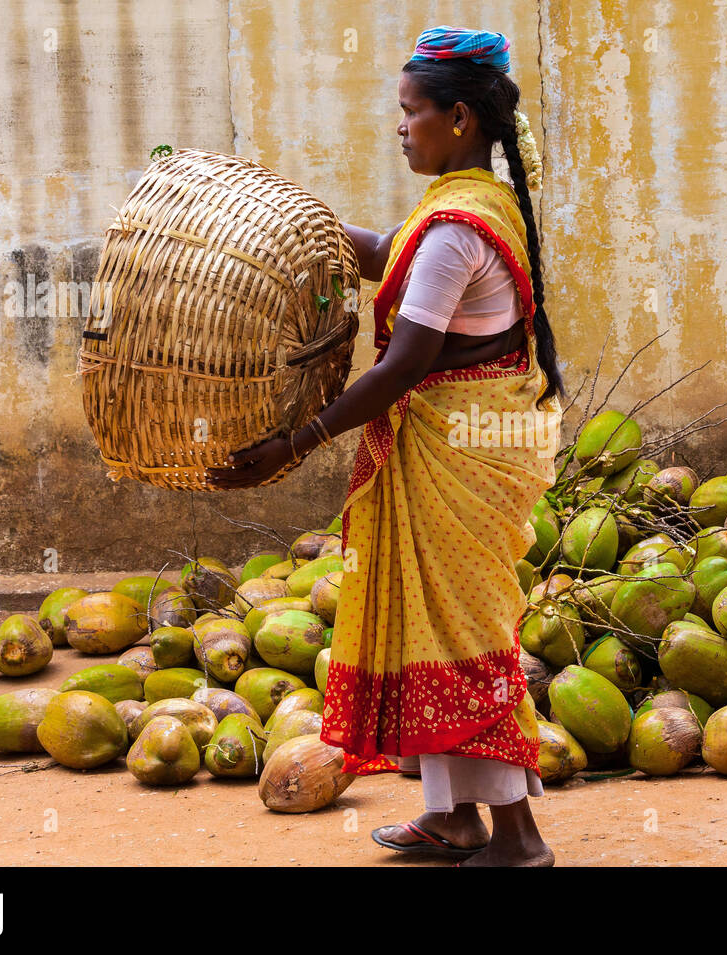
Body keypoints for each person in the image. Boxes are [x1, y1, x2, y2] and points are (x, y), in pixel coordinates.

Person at [207, 25, 564, 867]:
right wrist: (299, 228)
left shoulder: (454, 229)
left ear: (462, 119)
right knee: (429, 630)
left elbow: (406, 361)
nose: (400, 127)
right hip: (466, 441)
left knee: (462, 636)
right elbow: (388, 256)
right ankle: (453, 818)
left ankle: (519, 838)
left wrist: (295, 442)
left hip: (457, 454)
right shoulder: (473, 204)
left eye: (412, 113)